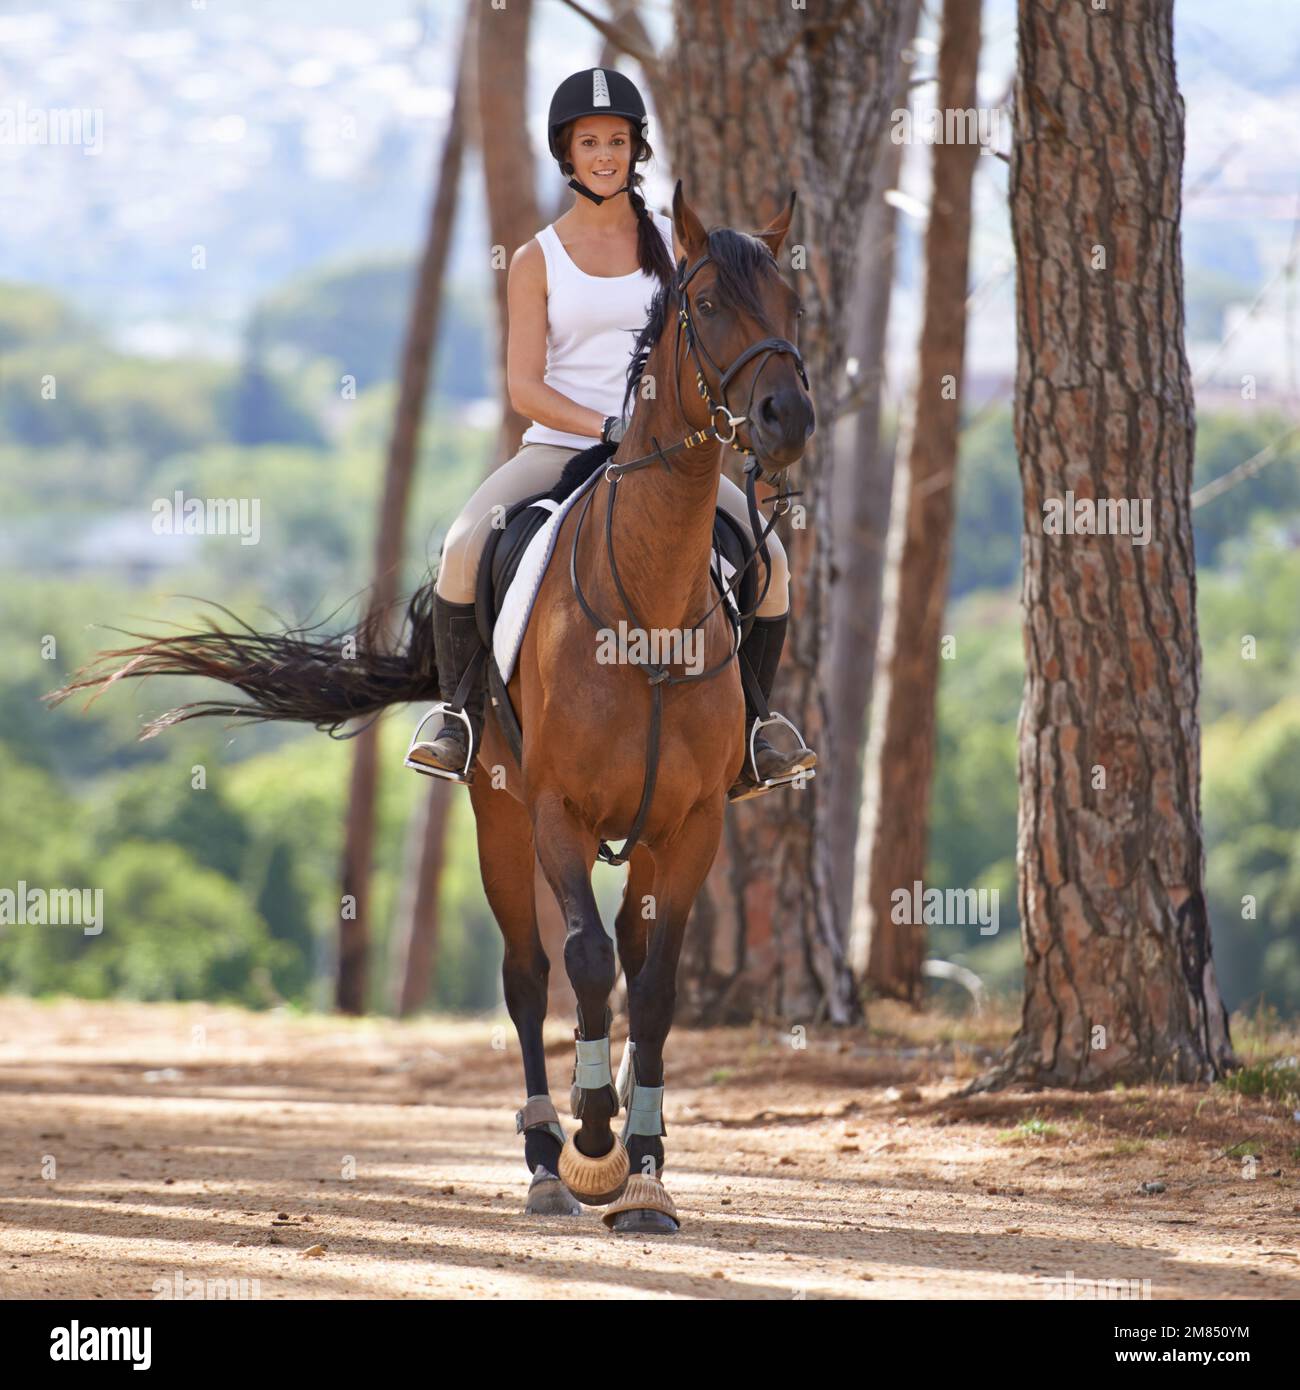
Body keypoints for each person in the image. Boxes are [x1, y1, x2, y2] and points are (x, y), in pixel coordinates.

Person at [407, 67, 816, 800]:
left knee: (775, 564)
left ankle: (757, 731)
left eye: (618, 141)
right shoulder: (536, 260)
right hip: (561, 447)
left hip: (667, 454)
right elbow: (524, 386)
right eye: (590, 142)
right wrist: (605, 424)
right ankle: (458, 721)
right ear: (567, 154)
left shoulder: (674, 245)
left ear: (636, 151)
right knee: (463, 546)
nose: (605, 155)